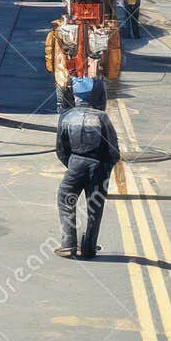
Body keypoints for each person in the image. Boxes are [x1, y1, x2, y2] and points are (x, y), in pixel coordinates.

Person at [55, 81, 122, 259]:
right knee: (94, 207)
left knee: (65, 198)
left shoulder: (67, 117)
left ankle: (68, 244)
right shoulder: (102, 118)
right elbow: (114, 151)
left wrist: (72, 165)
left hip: (75, 164)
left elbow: (61, 149)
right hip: (98, 166)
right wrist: (105, 169)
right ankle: (88, 248)